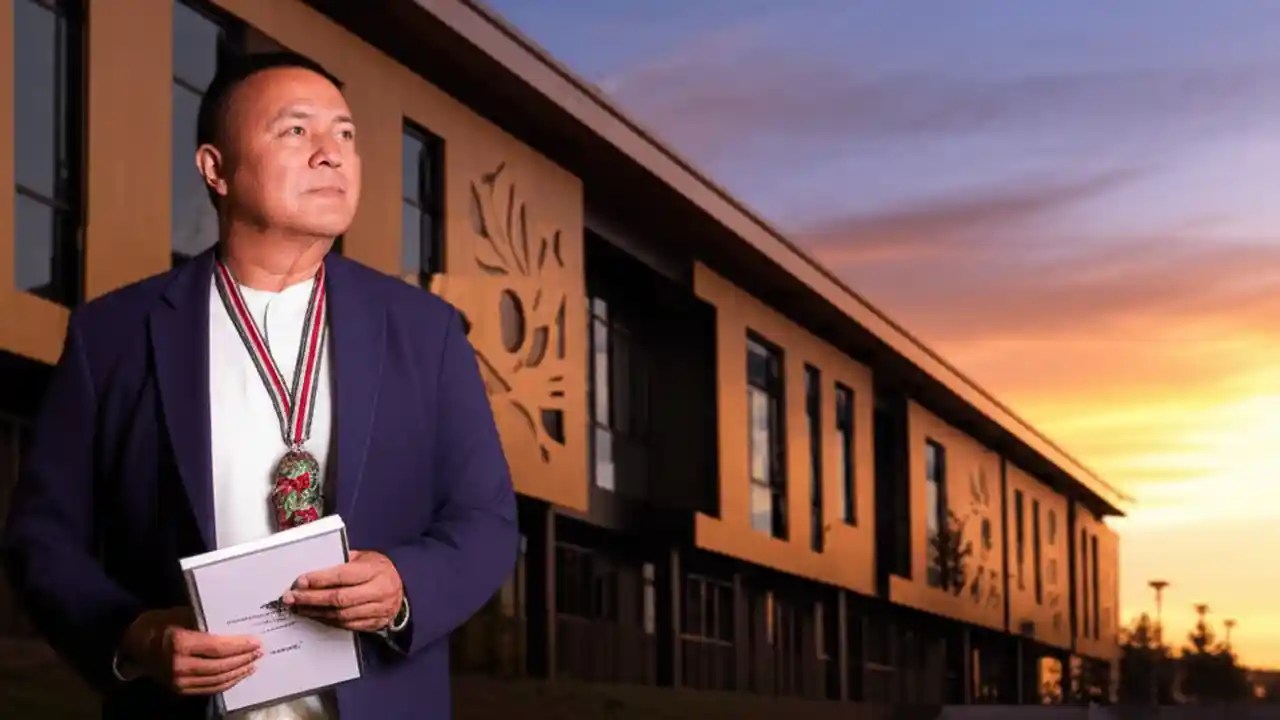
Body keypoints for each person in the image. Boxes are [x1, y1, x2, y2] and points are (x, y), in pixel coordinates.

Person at [2, 51, 518, 719]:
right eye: (297, 131)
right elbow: (43, 536)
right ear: (215, 168)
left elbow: (485, 521)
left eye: (347, 134)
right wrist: (131, 634)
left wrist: (405, 586)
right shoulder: (114, 336)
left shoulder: (428, 332)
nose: (332, 153)